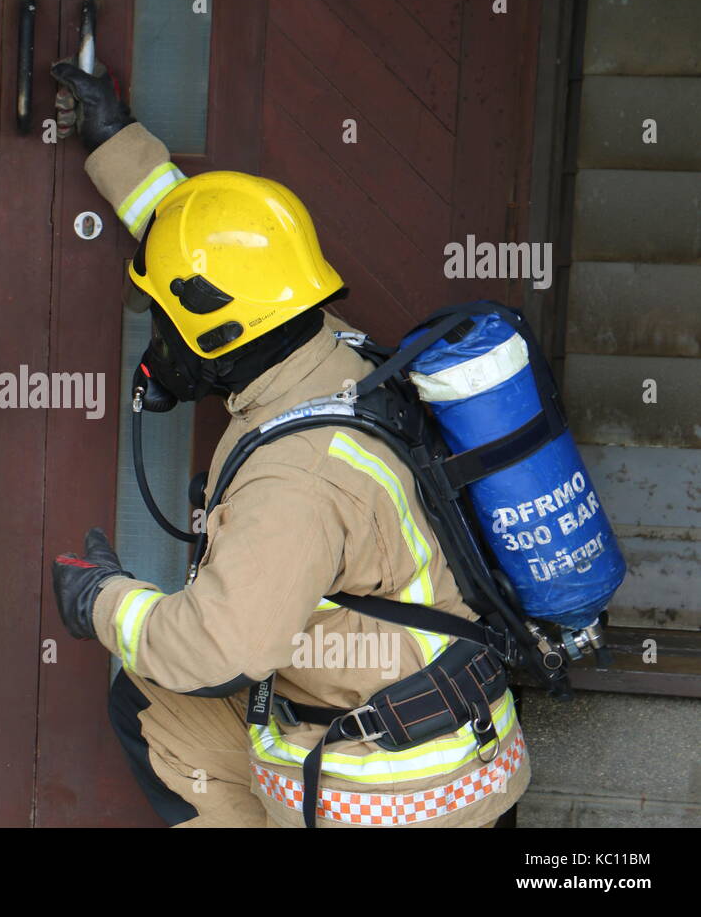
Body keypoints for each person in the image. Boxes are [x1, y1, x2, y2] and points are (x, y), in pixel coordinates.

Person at [49, 63, 529, 828]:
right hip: (419, 695)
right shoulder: (331, 352)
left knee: (177, 668)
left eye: (161, 322)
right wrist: (115, 142)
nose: (154, 338)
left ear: (217, 332)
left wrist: (100, 599)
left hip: (405, 788)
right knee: (151, 705)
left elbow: (216, 652)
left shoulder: (296, 485)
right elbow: (207, 245)